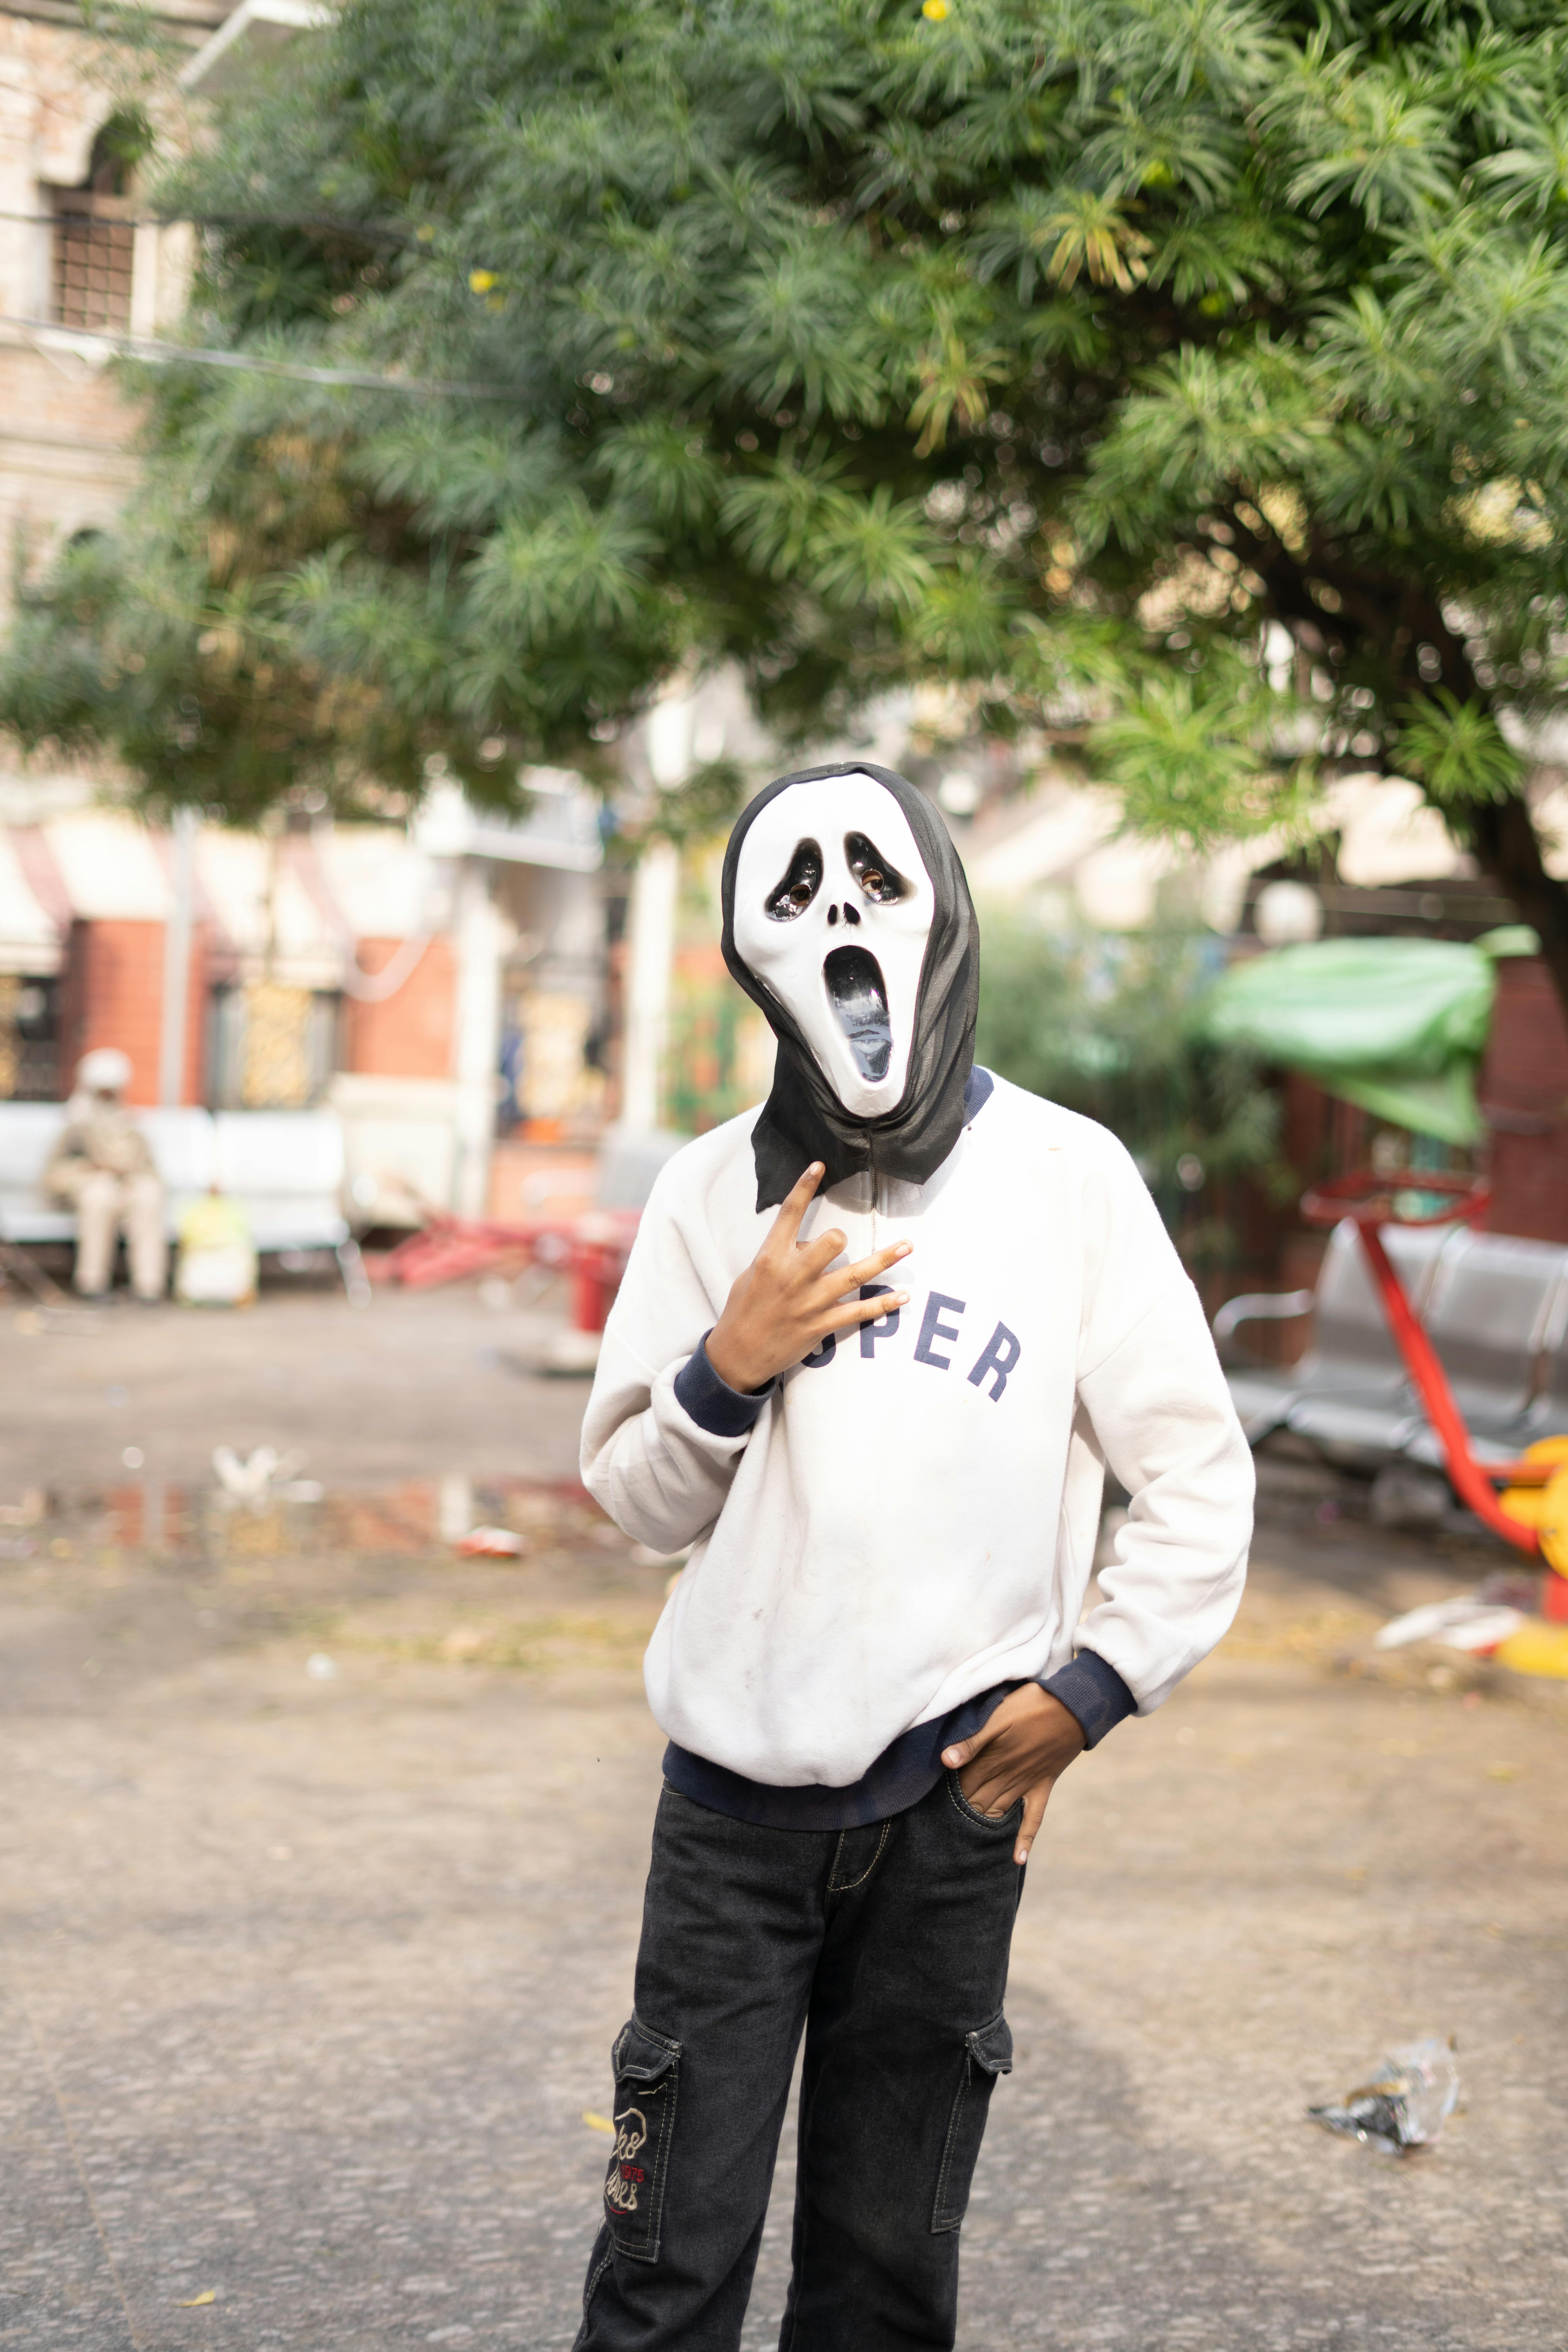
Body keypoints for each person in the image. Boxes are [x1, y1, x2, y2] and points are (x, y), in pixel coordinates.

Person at [574, 764, 1254, 2351]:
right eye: (794, 899)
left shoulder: (1066, 1181)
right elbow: (637, 1500)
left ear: (943, 902)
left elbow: (1195, 1469)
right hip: (732, 1826)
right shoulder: (703, 1193)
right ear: (753, 957)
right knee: (667, 2254)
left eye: (870, 884)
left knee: (884, 2273)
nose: (838, 924)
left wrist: (1092, 1684)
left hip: (949, 1810)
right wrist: (721, 1366)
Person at [46, 1048, 167, 1302]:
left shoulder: (131, 1124)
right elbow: (55, 1171)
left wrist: (132, 1175)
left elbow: (150, 1167)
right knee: (100, 1196)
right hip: (91, 1190)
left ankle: (149, 1286)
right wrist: (93, 1170)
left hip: (128, 1187)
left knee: (149, 1196)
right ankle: (93, 1284)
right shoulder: (76, 1125)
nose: (108, 1096)